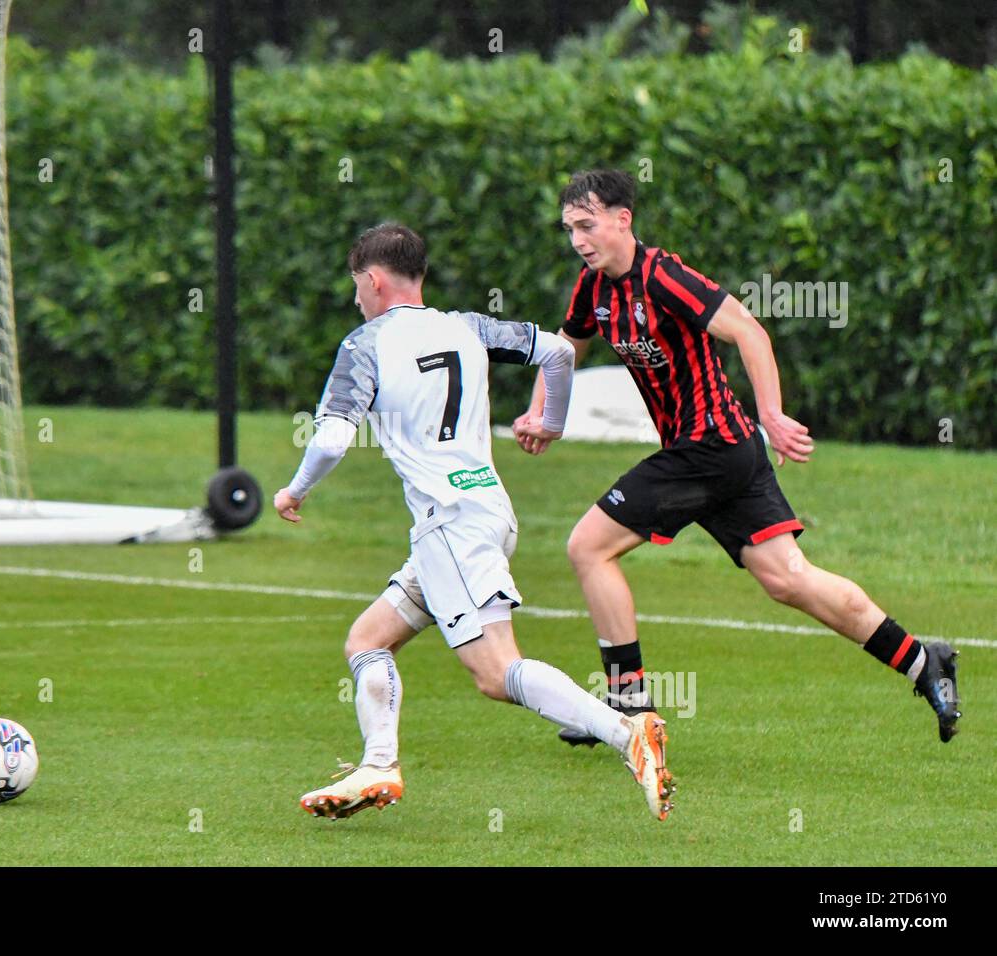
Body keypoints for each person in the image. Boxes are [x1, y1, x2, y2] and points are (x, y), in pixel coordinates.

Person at [513, 169, 960, 746]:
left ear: (623, 220)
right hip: (724, 454)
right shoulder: (592, 288)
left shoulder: (666, 276)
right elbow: (563, 347)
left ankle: (627, 705)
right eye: (570, 228)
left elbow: (749, 330)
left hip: (712, 447)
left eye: (587, 225)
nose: (578, 239)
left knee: (587, 547)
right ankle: (925, 662)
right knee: (788, 578)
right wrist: (544, 415)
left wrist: (772, 414)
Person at [274, 222, 676, 822]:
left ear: (374, 280)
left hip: (450, 524)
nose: (358, 297)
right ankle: (379, 764)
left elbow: (331, 438)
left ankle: (626, 734)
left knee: (495, 671)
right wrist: (552, 420)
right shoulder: (465, 325)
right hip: (484, 510)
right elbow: (559, 351)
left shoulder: (366, 344)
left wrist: (295, 489)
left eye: (358, 285)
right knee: (367, 640)